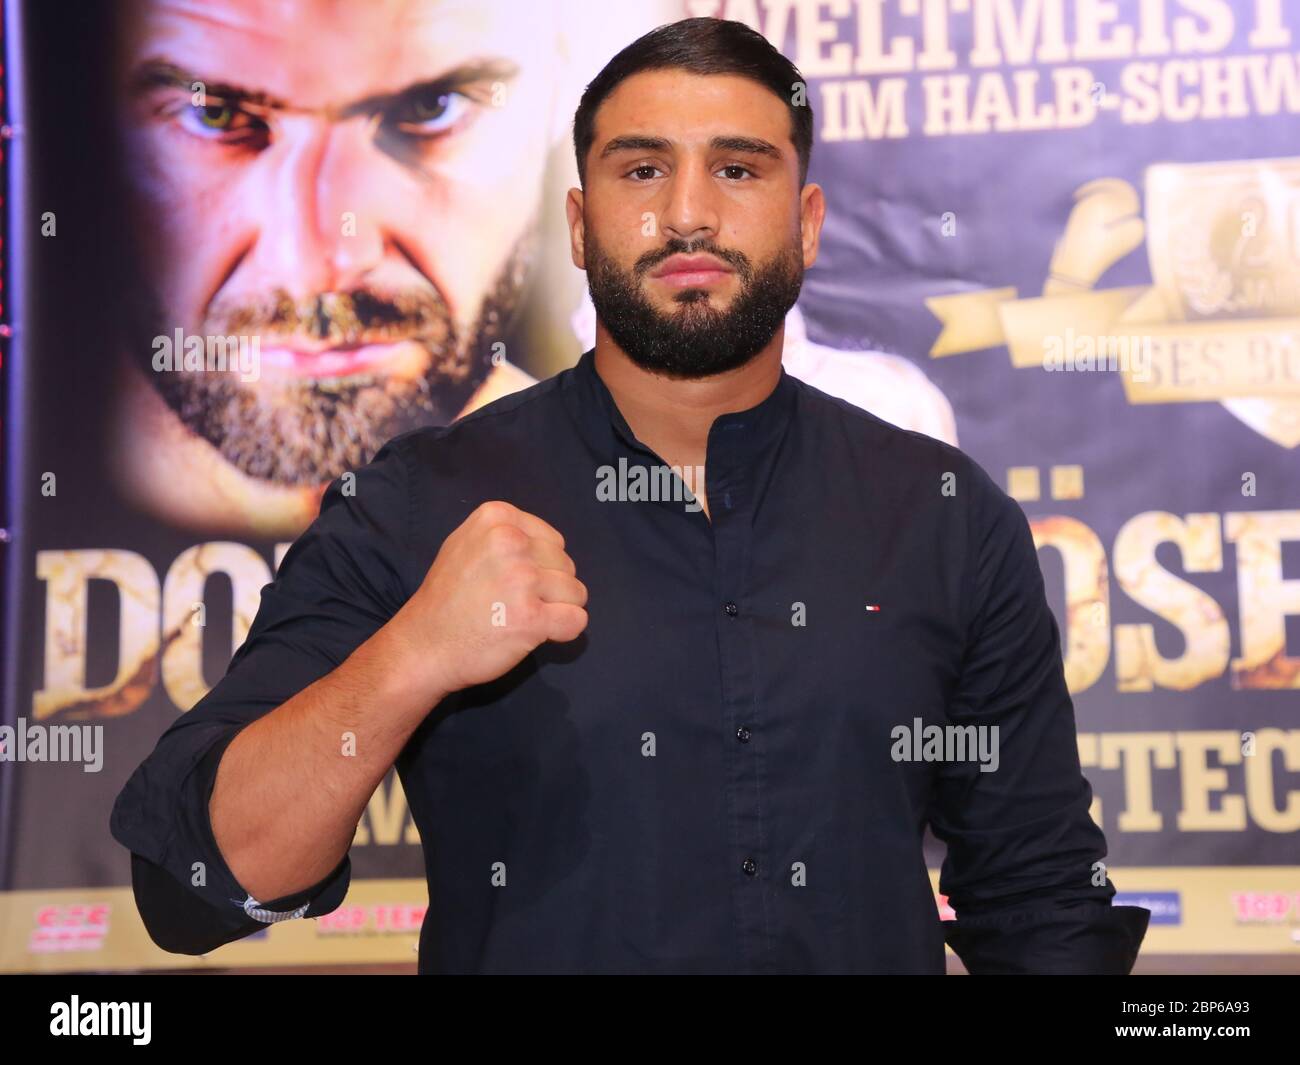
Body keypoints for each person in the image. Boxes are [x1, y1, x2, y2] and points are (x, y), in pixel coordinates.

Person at [111, 16, 1149, 974]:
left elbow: (1039, 906)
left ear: (808, 220)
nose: (688, 214)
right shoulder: (420, 507)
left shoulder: (940, 513)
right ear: (577, 221)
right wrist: (413, 654)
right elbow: (193, 888)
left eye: (738, 169)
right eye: (641, 168)